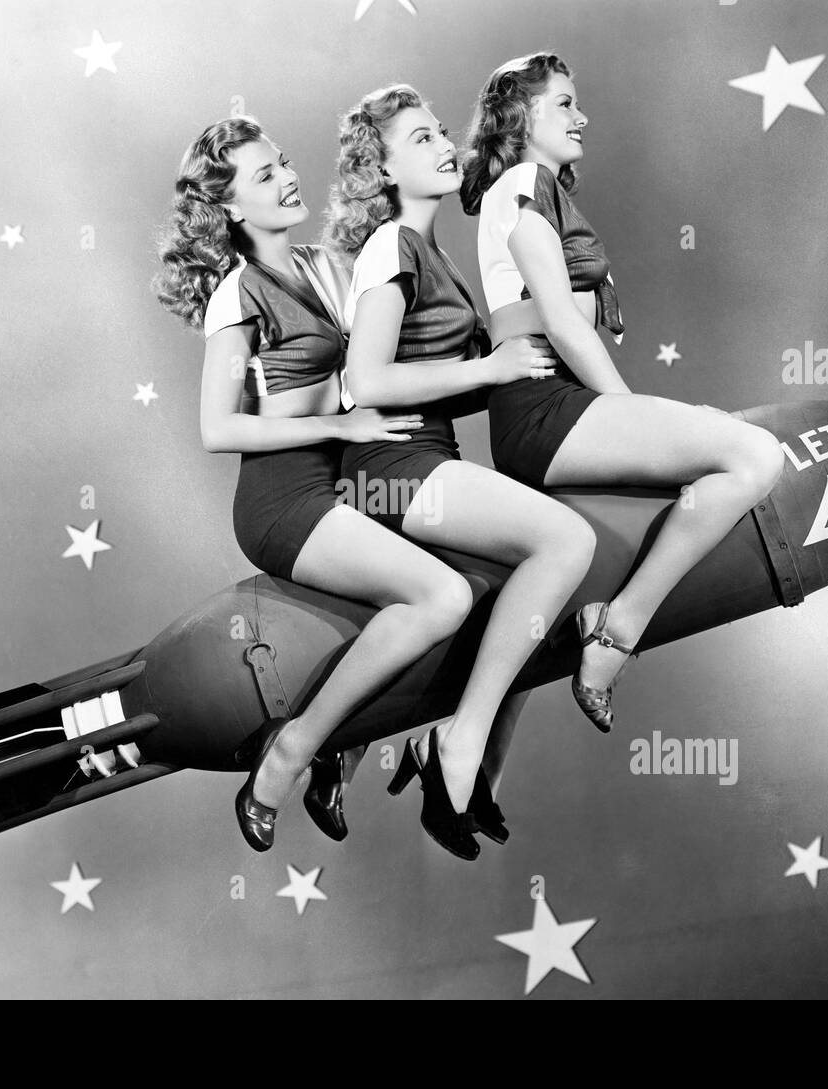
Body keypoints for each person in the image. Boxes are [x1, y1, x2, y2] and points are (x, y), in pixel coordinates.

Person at [154, 116, 475, 853]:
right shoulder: (240, 293)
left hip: (354, 482)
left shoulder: (331, 264)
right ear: (230, 209)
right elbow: (218, 428)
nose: (288, 178)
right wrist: (338, 428)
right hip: (284, 499)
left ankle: (346, 747)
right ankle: (290, 753)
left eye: (286, 163)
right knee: (440, 596)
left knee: (471, 582)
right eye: (264, 176)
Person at [460, 52, 785, 730]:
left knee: (628, 533)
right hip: (547, 405)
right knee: (754, 457)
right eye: (566, 103)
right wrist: (623, 406)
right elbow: (559, 321)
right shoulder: (524, 180)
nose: (583, 116)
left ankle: (458, 752)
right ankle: (616, 633)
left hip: (548, 407)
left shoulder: (538, 187)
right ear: (522, 116)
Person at [324, 84, 600, 861]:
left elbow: (466, 377)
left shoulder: (436, 254)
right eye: (419, 139)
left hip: (426, 461)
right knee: (562, 543)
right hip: (388, 468)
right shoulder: (391, 246)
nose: (446, 143)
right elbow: (368, 381)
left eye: (442, 131)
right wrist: (497, 362)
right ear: (381, 172)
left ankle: (452, 760)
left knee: (534, 597)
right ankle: (457, 739)